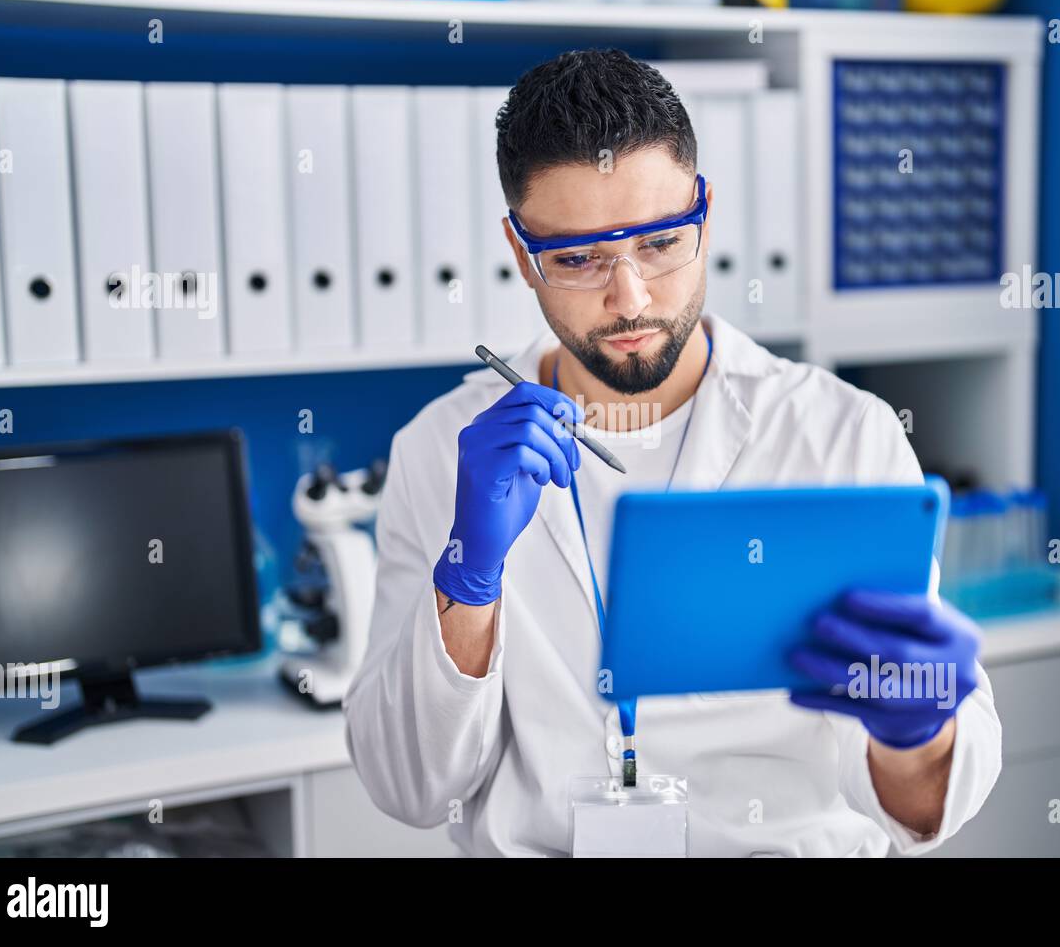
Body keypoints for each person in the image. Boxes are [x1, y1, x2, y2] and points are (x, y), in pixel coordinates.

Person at [343, 48, 1001, 857]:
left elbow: (924, 808)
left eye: (659, 242)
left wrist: (919, 730)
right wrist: (466, 576)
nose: (631, 299)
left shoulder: (842, 434)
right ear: (522, 254)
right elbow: (407, 787)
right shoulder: (441, 450)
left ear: (705, 216)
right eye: (579, 259)